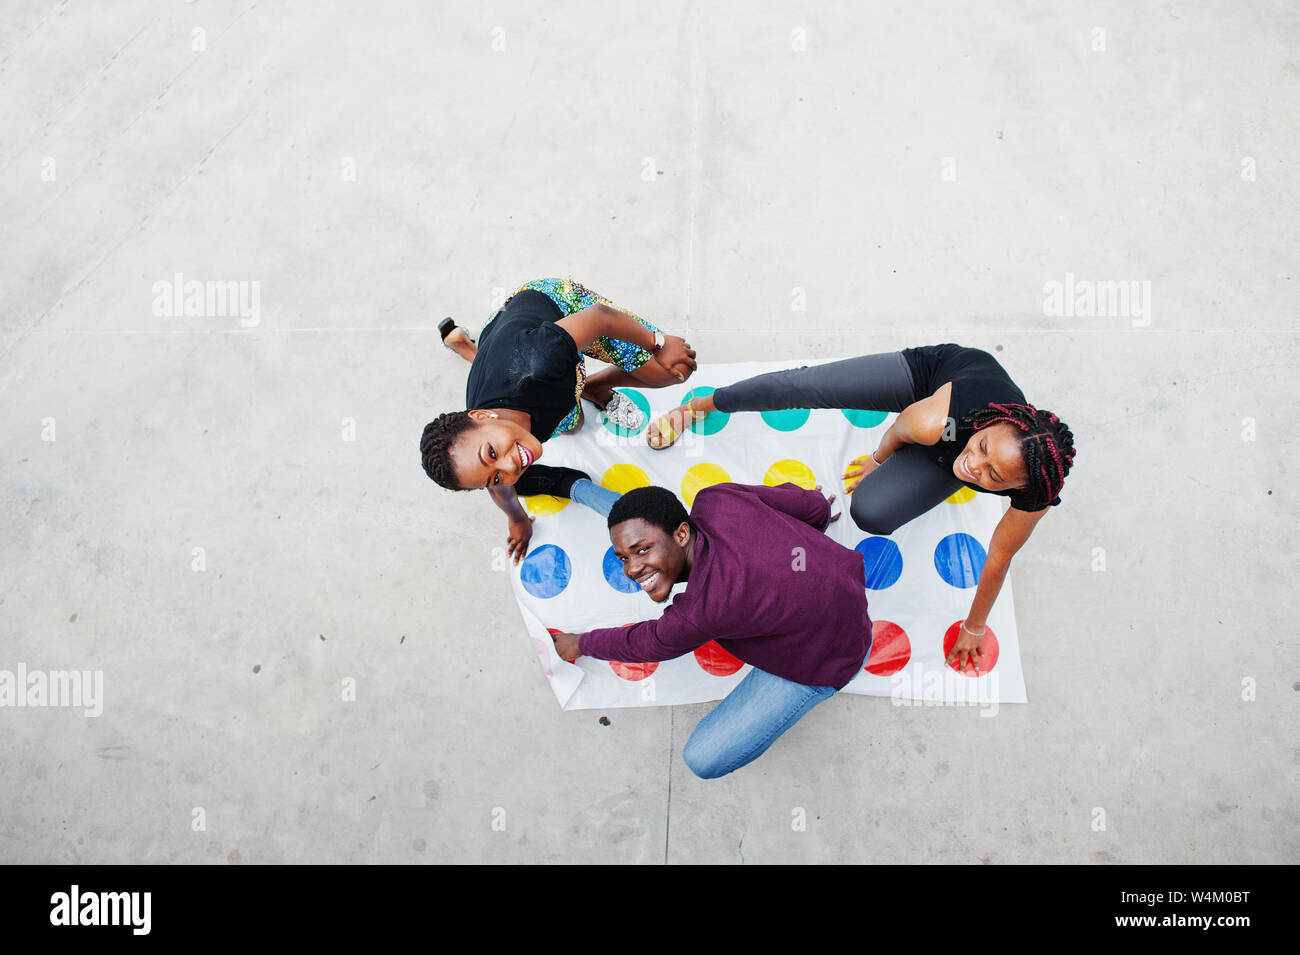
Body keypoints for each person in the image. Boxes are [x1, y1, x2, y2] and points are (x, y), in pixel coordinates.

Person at [643, 344, 1076, 673]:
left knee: (871, 511)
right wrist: (877, 460)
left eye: (994, 476)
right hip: (933, 392)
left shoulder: (1037, 486)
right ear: (994, 426)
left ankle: (944, 462)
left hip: (944, 437)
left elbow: (999, 557)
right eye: (982, 450)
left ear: (1023, 486)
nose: (974, 465)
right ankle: (700, 404)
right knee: (804, 386)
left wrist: (975, 626)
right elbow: (906, 424)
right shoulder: (940, 421)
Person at [550, 483, 873, 780]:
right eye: (623, 557)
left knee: (702, 759)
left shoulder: (702, 611)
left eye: (643, 551)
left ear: (681, 534)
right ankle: (574, 485)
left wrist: (579, 643)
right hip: (846, 579)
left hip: (833, 658)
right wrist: (812, 518)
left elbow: (645, 642)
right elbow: (811, 505)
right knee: (638, 520)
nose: (632, 569)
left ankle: (573, 485)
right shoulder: (718, 499)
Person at [419, 277, 697, 563]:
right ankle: (471, 350)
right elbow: (499, 485)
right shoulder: (483, 438)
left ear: (481, 415)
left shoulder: (537, 361)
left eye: (492, 453)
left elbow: (601, 318)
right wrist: (517, 519)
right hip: (505, 341)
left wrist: (658, 343)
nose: (511, 466)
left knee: (674, 369)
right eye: (495, 474)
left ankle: (593, 386)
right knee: (573, 423)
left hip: (558, 308)